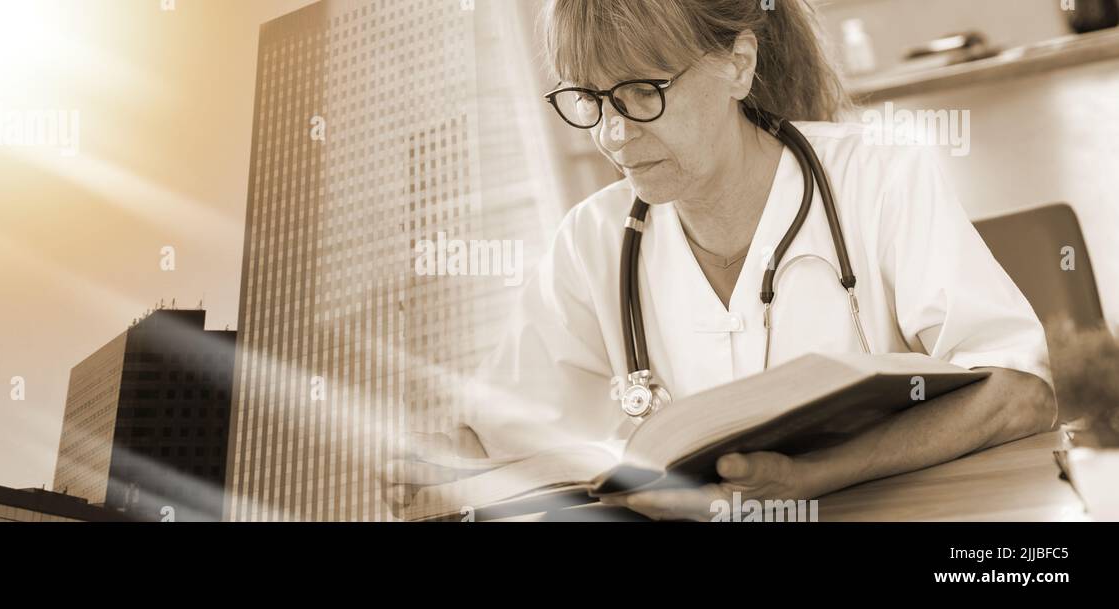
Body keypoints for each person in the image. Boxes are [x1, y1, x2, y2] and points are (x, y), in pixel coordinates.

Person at [384, 0, 1056, 521]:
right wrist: (443, 469)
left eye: (642, 92)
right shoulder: (592, 243)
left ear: (738, 63)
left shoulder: (880, 179)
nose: (614, 134)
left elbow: (1019, 394)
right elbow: (498, 433)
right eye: (589, 99)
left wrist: (811, 477)